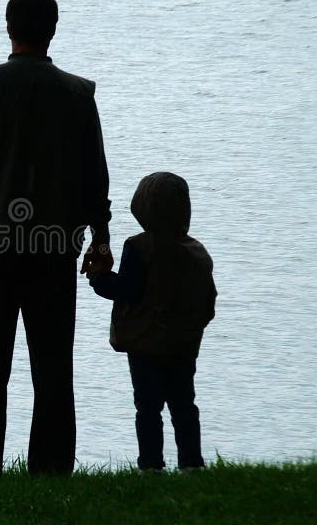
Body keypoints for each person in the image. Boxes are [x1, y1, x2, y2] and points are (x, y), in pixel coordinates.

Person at [0, 0, 112, 477]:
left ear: (8, 27)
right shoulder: (79, 94)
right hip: (54, 248)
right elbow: (93, 175)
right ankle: (52, 470)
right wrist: (99, 235)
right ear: (54, 30)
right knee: (54, 368)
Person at [86, 172, 217, 470]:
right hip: (183, 344)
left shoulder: (138, 247)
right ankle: (192, 463)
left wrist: (98, 278)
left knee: (147, 407)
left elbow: (127, 291)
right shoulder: (195, 251)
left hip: (144, 344)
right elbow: (207, 300)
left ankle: (151, 465)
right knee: (184, 405)